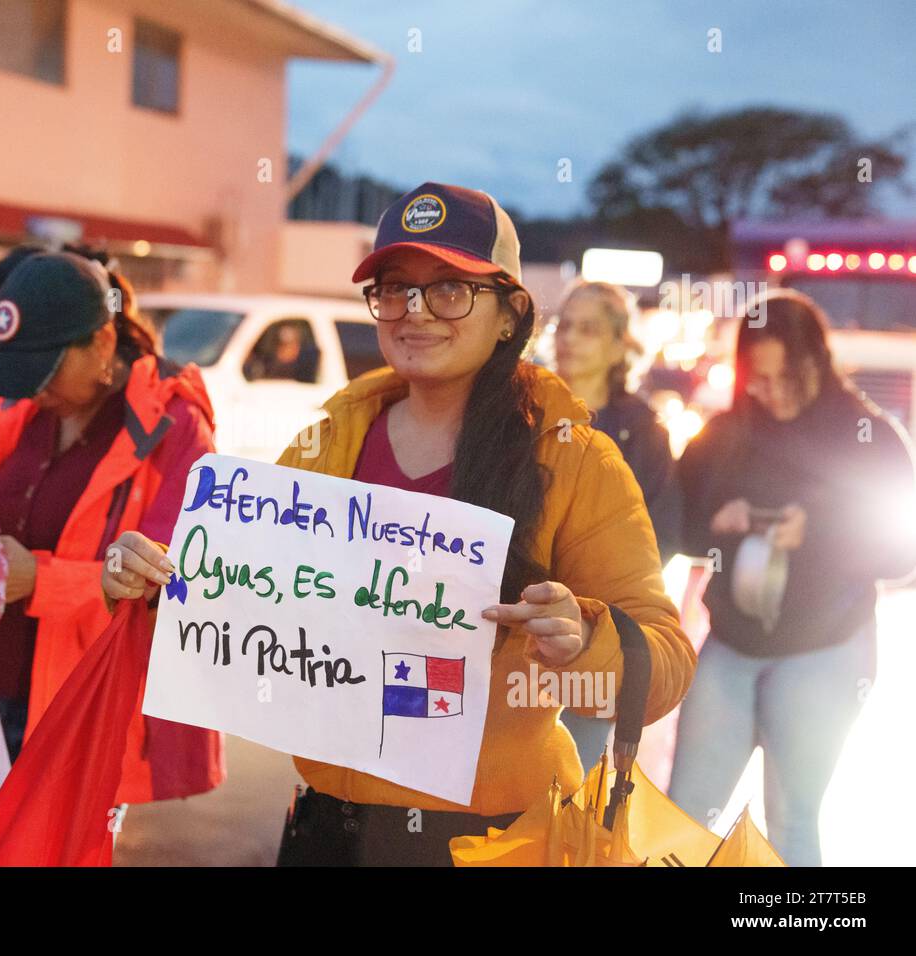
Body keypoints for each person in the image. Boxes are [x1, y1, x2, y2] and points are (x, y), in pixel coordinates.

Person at [103, 182, 696, 865]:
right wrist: (151, 584)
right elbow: (244, 612)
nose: (415, 313)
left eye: (449, 289)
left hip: (499, 840)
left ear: (510, 314)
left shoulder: (575, 460)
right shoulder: (324, 446)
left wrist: (586, 637)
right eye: (393, 289)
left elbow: (668, 663)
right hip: (328, 832)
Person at [0, 252, 223, 808]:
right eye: (20, 373)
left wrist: (43, 580)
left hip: (79, 705)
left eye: (46, 370)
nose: (32, 389)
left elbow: (178, 580)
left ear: (102, 341)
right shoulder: (24, 413)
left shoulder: (175, 426)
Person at [668, 289, 916, 867]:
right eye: (760, 379)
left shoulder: (866, 433)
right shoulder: (724, 433)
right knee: (686, 815)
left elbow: (902, 554)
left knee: (791, 819)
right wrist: (717, 527)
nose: (773, 394)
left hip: (825, 652)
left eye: (787, 378)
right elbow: (677, 528)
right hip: (731, 646)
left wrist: (820, 532)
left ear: (817, 364)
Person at [551, 279, 683, 770]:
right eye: (564, 325)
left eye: (587, 329)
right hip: (510, 628)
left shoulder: (642, 429)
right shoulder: (522, 407)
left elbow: (661, 535)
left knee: (565, 782)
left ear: (618, 345)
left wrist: (605, 603)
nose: (568, 339)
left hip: (595, 632)